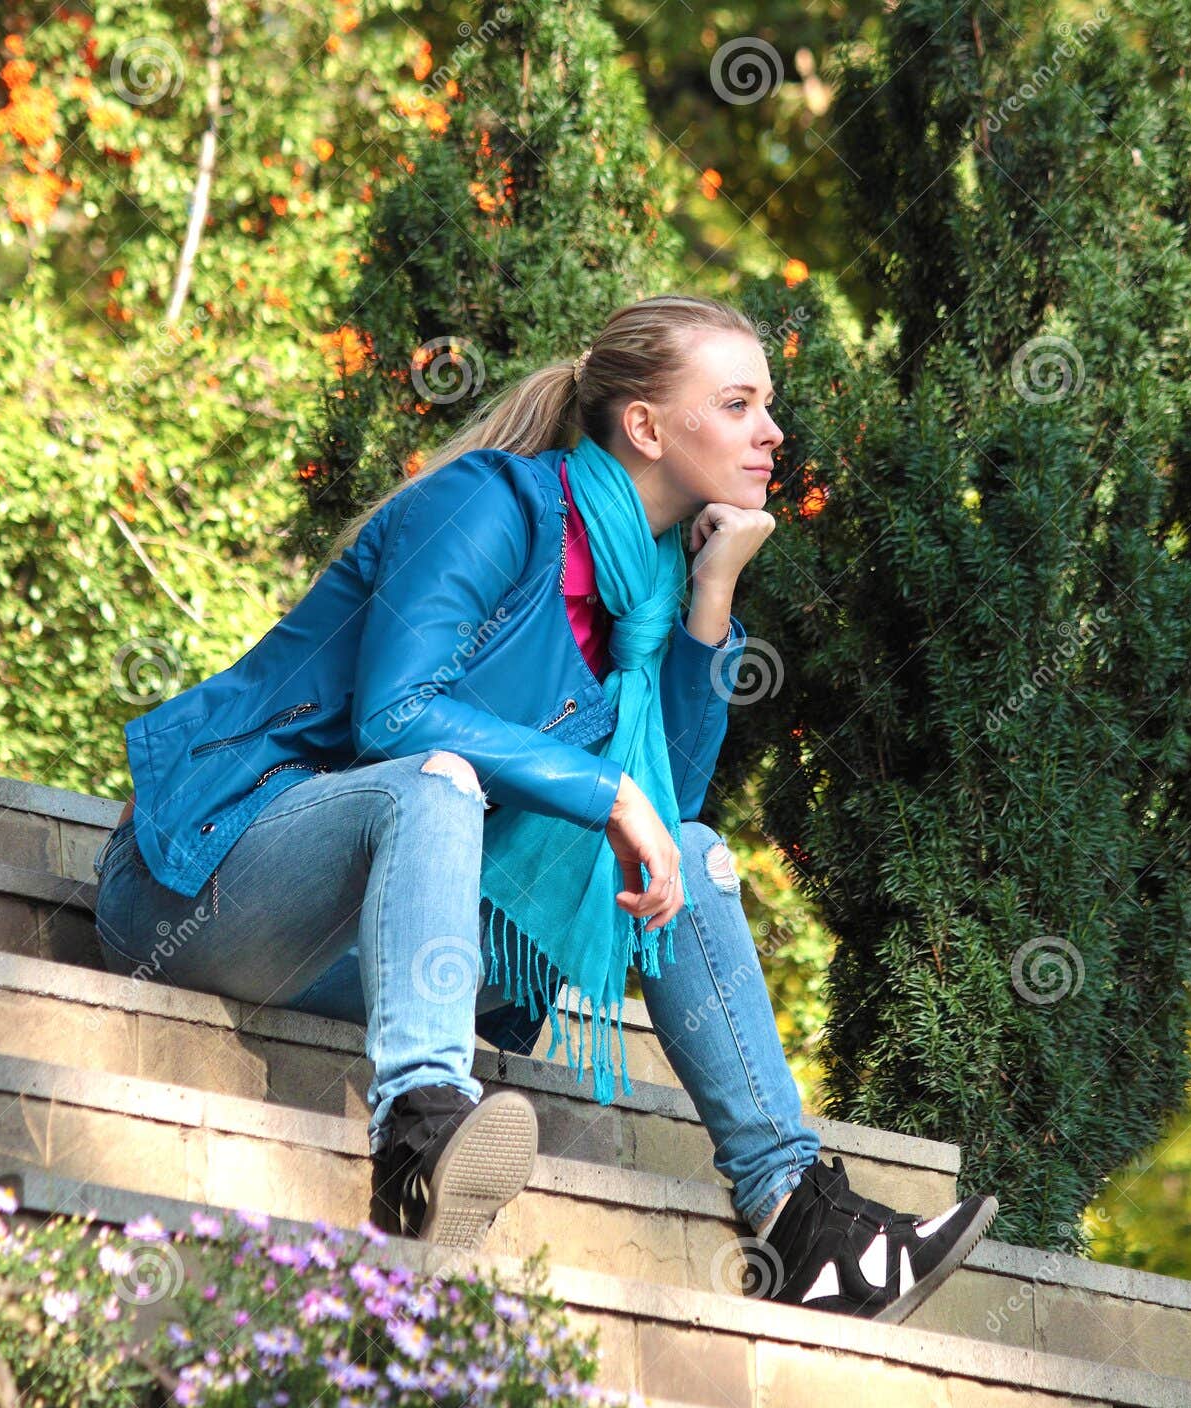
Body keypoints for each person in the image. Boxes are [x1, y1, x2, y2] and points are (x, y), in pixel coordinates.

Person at [92, 292, 997, 1322]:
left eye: (767, 406)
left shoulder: (649, 603)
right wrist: (603, 787)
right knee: (437, 778)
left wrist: (709, 603)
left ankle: (800, 1218)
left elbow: (667, 820)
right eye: (739, 403)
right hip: (201, 888)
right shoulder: (491, 506)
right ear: (647, 427)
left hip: (369, 953)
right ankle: (424, 1133)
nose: (773, 431)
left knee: (693, 854)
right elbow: (398, 714)